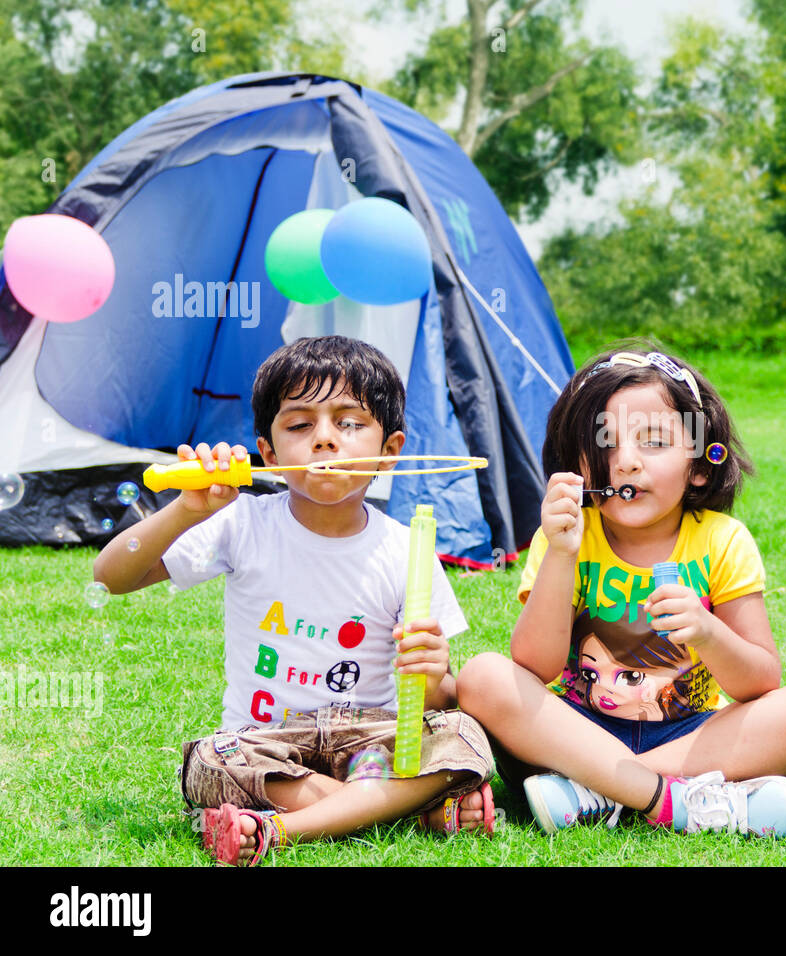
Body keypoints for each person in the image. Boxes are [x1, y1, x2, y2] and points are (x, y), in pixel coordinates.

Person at [92, 336, 495, 865]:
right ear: (269, 453)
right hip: (265, 744)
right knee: (213, 758)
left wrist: (433, 675)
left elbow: (438, 698)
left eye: (349, 423)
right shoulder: (242, 522)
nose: (324, 440)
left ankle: (280, 830)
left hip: (367, 745)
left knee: (462, 733)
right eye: (300, 425)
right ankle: (402, 810)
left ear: (390, 451)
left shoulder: (407, 548)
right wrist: (188, 510)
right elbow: (112, 575)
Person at [457, 346, 786, 837]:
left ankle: (600, 794)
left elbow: (760, 682)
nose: (626, 464)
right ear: (577, 462)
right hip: (577, 731)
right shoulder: (567, 537)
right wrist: (559, 554)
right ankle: (677, 800)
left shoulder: (721, 540)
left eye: (653, 442)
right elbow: (535, 666)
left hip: (689, 736)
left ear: (700, 465)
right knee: (482, 677)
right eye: (605, 445)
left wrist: (707, 632)